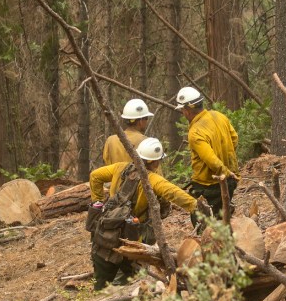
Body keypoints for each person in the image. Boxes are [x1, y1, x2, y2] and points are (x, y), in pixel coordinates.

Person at [88, 137, 205, 290]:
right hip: (131, 240)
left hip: (104, 237)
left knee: (101, 285)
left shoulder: (120, 168)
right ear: (155, 162)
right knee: (131, 285)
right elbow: (175, 194)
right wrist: (196, 206)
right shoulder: (154, 180)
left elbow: (95, 176)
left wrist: (98, 202)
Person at [174, 86, 238, 224]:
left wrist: (224, 172)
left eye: (182, 110)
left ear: (187, 110)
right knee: (222, 218)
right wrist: (228, 169)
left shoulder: (195, 132)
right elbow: (234, 138)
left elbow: (211, 160)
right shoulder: (219, 116)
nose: (183, 113)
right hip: (230, 179)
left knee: (203, 221)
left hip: (209, 185)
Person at [102, 98, 155, 167]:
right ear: (141, 121)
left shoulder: (110, 141)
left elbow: (106, 166)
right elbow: (155, 171)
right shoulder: (147, 143)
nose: (147, 121)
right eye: (146, 118)